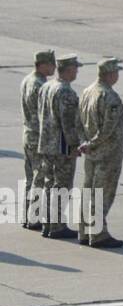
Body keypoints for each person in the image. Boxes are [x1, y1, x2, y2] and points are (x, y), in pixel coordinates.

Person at [77, 57, 123, 247]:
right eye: (116, 72)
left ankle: (85, 230)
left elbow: (78, 122)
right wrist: (93, 142)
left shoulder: (86, 92)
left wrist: (85, 142)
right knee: (103, 193)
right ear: (110, 74)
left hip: (91, 152)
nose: (117, 76)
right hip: (108, 153)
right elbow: (108, 128)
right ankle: (98, 234)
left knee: (89, 191)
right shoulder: (109, 96)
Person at [37, 54, 86, 238]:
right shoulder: (65, 92)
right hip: (61, 147)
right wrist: (75, 145)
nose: (77, 71)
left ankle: (48, 223)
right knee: (62, 186)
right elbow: (68, 122)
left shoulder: (46, 86)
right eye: (75, 68)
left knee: (49, 185)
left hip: (47, 145)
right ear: (68, 69)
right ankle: (57, 226)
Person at [19, 50, 55, 230]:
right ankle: (33, 217)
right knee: (39, 178)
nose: (54, 67)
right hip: (38, 137)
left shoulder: (28, 80)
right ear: (42, 64)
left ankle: (27, 215)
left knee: (30, 177)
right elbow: (43, 117)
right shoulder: (39, 85)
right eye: (51, 63)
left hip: (28, 135)